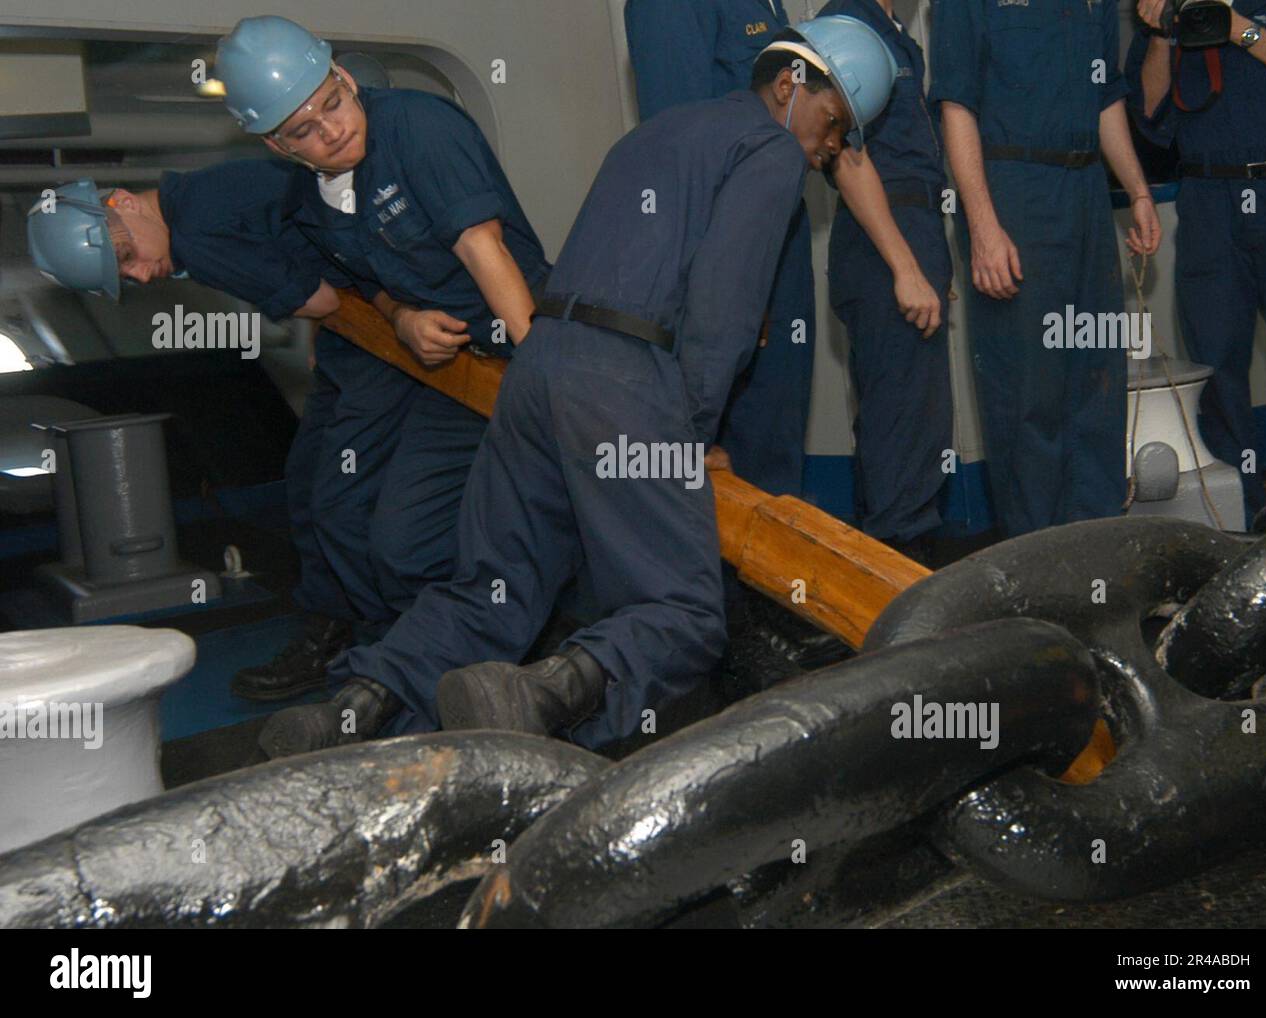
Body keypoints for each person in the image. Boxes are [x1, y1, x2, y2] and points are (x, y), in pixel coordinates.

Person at [257, 16, 898, 758]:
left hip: (539, 367)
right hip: (623, 380)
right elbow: (723, 314)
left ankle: (351, 712)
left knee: (490, 584)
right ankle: (536, 694)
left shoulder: (658, 133)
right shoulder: (768, 150)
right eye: (832, 122)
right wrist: (684, 440)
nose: (828, 150)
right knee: (682, 609)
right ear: (790, 85)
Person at [213, 16, 551, 706]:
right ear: (277, 144)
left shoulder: (420, 128)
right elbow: (369, 282)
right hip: (452, 373)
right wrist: (404, 318)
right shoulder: (311, 202)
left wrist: (549, 383)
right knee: (398, 544)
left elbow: (485, 250)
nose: (330, 130)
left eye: (331, 104)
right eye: (304, 130)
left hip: (525, 350)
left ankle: (512, 668)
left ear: (342, 75)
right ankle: (448, 675)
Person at [25, 164, 377, 700]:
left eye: (125, 258)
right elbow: (303, 236)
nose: (140, 276)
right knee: (308, 483)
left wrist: (321, 315)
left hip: (381, 327)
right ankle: (334, 632)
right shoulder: (198, 202)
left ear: (124, 201)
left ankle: (380, 649)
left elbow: (322, 290)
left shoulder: (196, 233)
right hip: (348, 338)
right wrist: (319, 326)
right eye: (123, 276)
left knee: (342, 499)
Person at [930, 0, 1162, 537]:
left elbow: (1106, 101)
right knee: (1028, 394)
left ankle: (1096, 555)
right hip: (1015, 194)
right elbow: (957, 108)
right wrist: (984, 228)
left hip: (1086, 195)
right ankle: (1036, 561)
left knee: (1097, 386)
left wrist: (1138, 190)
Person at [623, 0, 815, 497]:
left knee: (777, 442)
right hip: (731, 251)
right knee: (729, 464)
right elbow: (685, 155)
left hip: (782, 238)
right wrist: (738, 284)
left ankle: (779, 576)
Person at [1127, 0, 1266, 518]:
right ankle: (1240, 518)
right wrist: (1161, 34)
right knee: (1218, 365)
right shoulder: (1178, 7)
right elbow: (1149, 110)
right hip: (1207, 202)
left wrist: (1235, 27)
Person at [818, 0, 950, 563]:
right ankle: (898, 589)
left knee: (916, 418)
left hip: (912, 227)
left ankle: (899, 578)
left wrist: (928, 260)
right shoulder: (846, 26)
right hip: (883, 237)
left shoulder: (896, 35)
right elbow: (843, 156)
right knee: (900, 421)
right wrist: (905, 268)